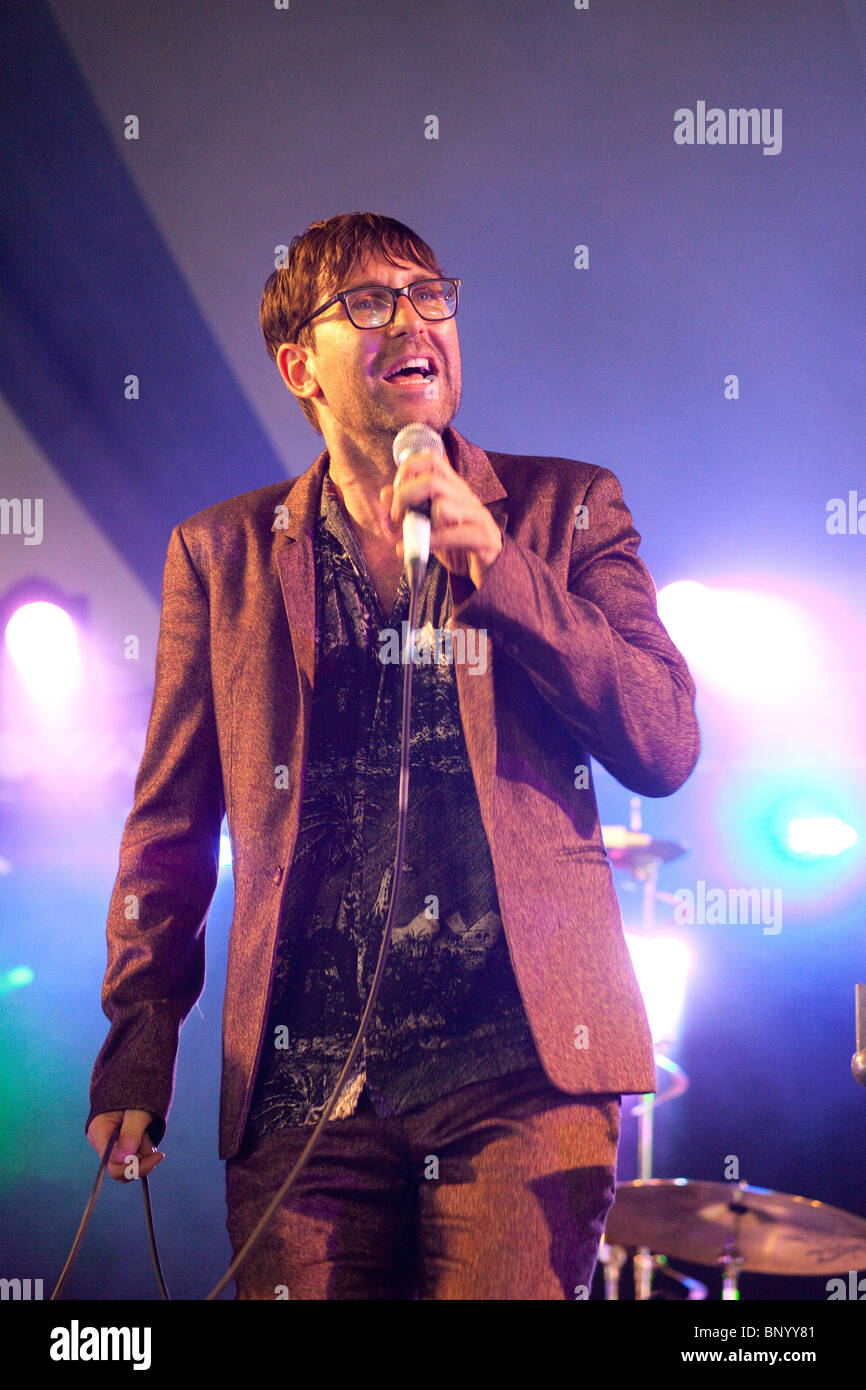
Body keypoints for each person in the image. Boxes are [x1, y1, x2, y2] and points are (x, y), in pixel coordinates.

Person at [86, 211, 700, 1299]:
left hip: (517, 1068)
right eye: (368, 303)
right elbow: (170, 826)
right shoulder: (220, 555)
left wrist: (498, 565)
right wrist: (140, 1042)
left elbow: (661, 740)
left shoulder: (565, 507)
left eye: (429, 294)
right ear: (298, 366)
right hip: (301, 1086)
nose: (413, 318)